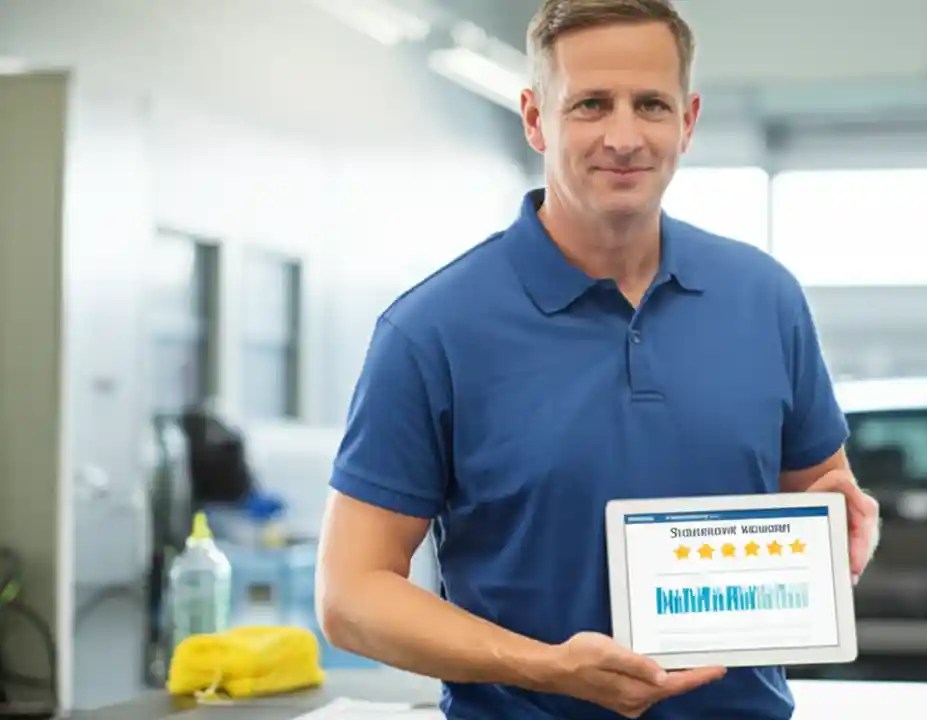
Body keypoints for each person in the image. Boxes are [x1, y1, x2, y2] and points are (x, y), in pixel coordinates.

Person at [315, 0, 881, 718]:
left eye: (650, 104)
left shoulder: (765, 299)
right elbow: (351, 593)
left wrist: (840, 532)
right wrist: (548, 668)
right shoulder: (432, 329)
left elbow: (825, 490)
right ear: (534, 118)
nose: (624, 136)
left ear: (688, 119)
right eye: (590, 105)